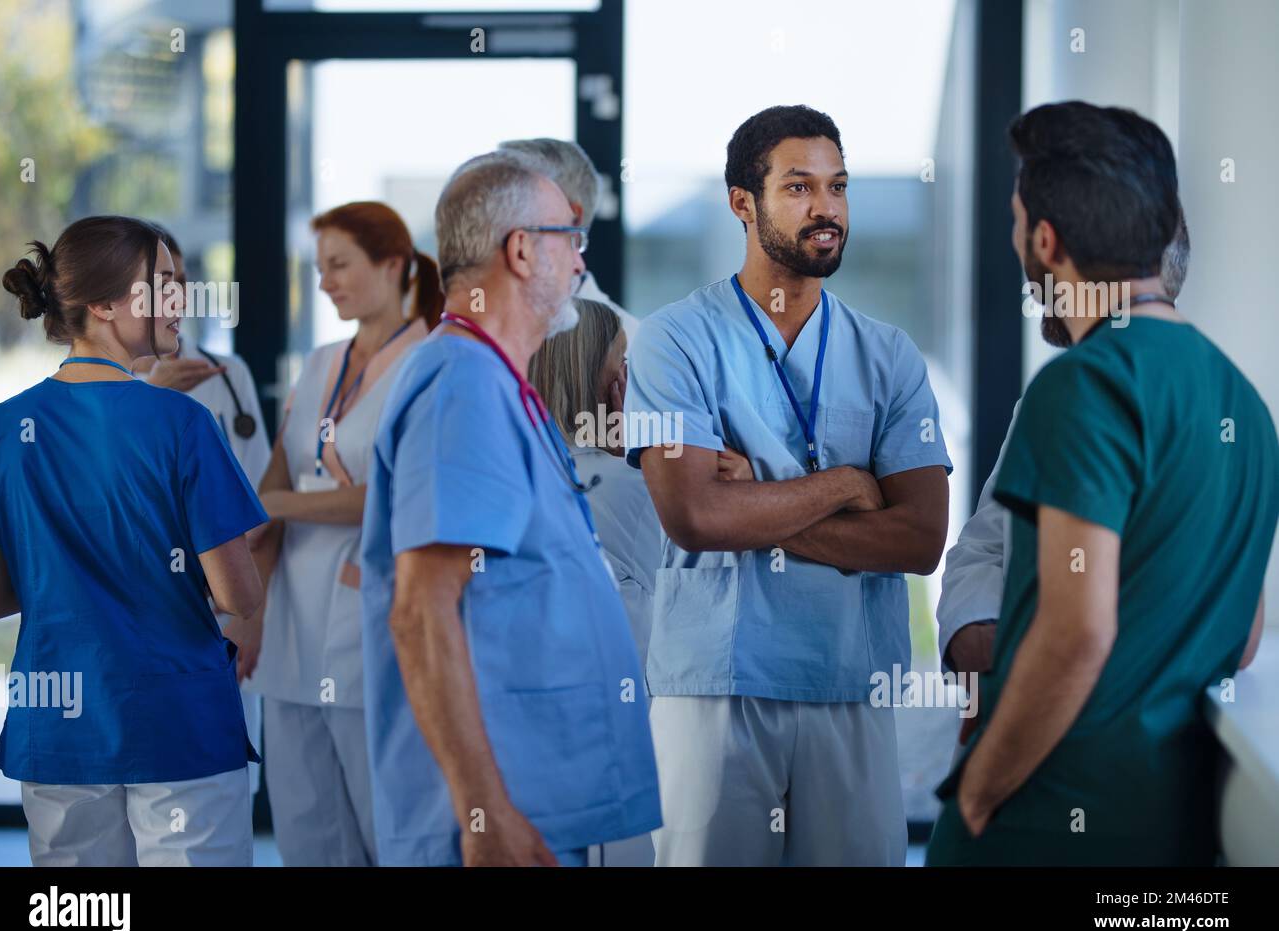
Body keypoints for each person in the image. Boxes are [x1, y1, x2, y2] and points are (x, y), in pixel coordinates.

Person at [926, 102, 1277, 866]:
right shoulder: (1245, 407)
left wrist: (979, 792)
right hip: (1170, 836)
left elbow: (1079, 630)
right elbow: (1243, 639)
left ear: (1046, 242)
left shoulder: (1085, 383)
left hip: (1043, 824)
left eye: (1019, 223)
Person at [624, 105, 952, 866]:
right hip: (715, 687)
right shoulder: (674, 340)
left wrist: (756, 498)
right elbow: (695, 517)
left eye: (837, 187)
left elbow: (918, 540)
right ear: (744, 203)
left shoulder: (889, 355)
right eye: (799, 187)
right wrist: (846, 482)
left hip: (850, 683)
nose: (826, 208)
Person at [360, 151, 660, 867]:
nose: (582, 264)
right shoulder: (464, 385)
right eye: (571, 238)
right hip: (495, 818)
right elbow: (421, 610)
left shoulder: (494, 382)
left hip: (540, 804)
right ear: (522, 250)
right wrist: (483, 810)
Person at [0, 215, 266, 866]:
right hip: (179, 723)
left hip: (59, 727)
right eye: (163, 284)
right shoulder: (182, 423)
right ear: (105, 305)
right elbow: (239, 595)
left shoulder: (4, 426)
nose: (181, 301)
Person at [240, 201, 442, 865]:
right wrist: (248, 609)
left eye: (339, 265)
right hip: (293, 625)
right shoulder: (319, 361)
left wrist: (280, 506)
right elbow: (270, 484)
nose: (325, 281)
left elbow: (392, 497)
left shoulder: (432, 361)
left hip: (374, 622)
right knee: (306, 829)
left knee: (388, 825)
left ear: (392, 264)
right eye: (320, 267)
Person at [938, 211, 1192, 677]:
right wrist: (979, 637)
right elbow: (984, 548)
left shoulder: (1185, 408)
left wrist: (1022, 671)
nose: (1034, 273)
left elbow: (1088, 633)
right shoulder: (1049, 399)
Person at [131, 224, 273, 795]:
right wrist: (153, 396)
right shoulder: (89, 397)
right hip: (136, 629)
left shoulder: (226, 377)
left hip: (215, 622)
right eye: (161, 283)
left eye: (182, 281)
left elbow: (256, 513)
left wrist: (251, 618)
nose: (177, 297)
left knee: (210, 805)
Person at [528, 295, 669, 867]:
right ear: (604, 381)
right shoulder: (625, 482)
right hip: (625, 719)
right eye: (623, 365)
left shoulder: (526, 466)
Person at [499, 137, 639, 340]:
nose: (491, 217)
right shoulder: (482, 317)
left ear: (572, 220)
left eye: (514, 202)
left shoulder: (631, 349)